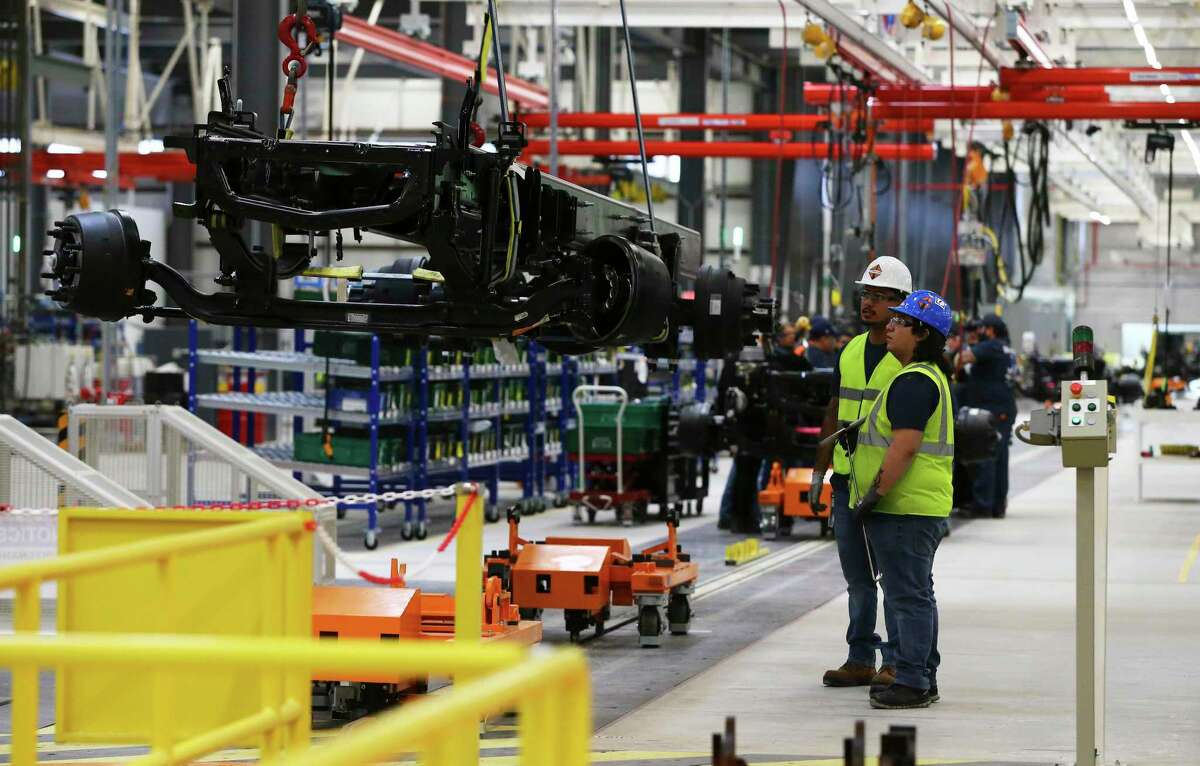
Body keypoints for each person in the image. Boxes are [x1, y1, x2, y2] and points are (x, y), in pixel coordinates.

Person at [850, 289, 955, 710]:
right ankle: (923, 675)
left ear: (922, 334)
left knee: (907, 598)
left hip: (904, 508)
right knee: (917, 594)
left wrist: (875, 494)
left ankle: (911, 681)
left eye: (900, 321)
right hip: (919, 506)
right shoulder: (924, 376)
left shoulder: (914, 381)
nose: (890, 326)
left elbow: (905, 447)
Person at [811, 255, 911, 691]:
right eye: (866, 294)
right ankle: (859, 658)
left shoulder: (906, 355)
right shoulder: (851, 349)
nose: (868, 303)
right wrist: (819, 470)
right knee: (857, 579)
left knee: (894, 578)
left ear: (901, 303)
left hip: (886, 484)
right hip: (846, 479)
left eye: (880, 296)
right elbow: (834, 409)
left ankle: (895, 661)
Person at [957, 314, 1017, 517]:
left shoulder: (991, 346)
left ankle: (983, 504)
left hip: (992, 408)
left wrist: (962, 349)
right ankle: (998, 505)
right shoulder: (1006, 348)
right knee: (999, 455)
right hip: (1004, 407)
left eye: (982, 328)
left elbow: (964, 358)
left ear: (990, 330)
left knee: (985, 454)